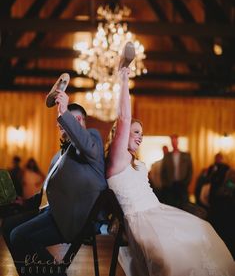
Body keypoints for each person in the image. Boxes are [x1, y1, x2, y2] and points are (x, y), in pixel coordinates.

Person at [105, 67, 235, 276]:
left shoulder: (132, 160)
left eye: (142, 133)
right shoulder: (116, 157)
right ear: (121, 133)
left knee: (202, 229)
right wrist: (123, 80)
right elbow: (124, 117)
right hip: (141, 219)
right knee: (175, 253)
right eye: (136, 132)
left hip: (157, 210)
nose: (140, 136)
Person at [2, 90, 107, 276]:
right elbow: (48, 192)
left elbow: (85, 145)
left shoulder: (92, 140)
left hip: (75, 217)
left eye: (78, 121)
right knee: (8, 226)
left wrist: (64, 111)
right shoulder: (58, 156)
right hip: (52, 211)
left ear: (83, 124)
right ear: (61, 127)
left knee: (19, 236)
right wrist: (25, 203)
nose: (74, 124)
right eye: (69, 121)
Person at [160, 134, 193, 208]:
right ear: (171, 143)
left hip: (183, 185)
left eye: (175, 141)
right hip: (171, 186)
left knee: (184, 207)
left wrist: (186, 183)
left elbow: (190, 170)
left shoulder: (186, 155)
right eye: (172, 141)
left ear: (178, 142)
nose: (174, 143)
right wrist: (166, 184)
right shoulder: (167, 156)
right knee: (172, 207)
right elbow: (163, 171)